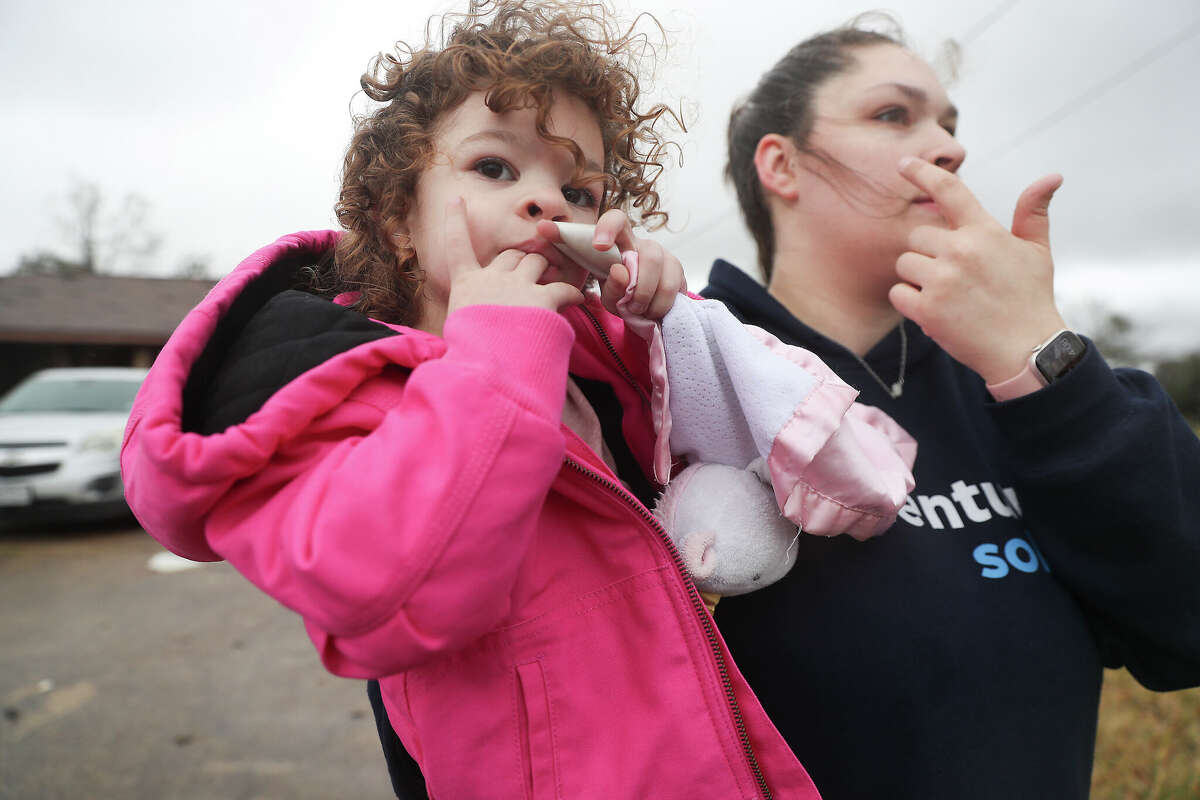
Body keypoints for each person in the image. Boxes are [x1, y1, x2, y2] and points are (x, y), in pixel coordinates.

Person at [118, 1, 896, 797]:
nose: (549, 204)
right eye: (495, 168)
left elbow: (718, 457)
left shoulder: (587, 362)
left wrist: (659, 332)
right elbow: (385, 594)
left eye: (581, 190)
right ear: (397, 221)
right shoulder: (349, 389)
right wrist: (494, 351)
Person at [702, 17, 1200, 800]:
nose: (951, 147)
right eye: (894, 115)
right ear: (783, 164)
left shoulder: (1011, 384)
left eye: (949, 123)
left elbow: (1185, 634)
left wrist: (1043, 355)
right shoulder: (686, 378)